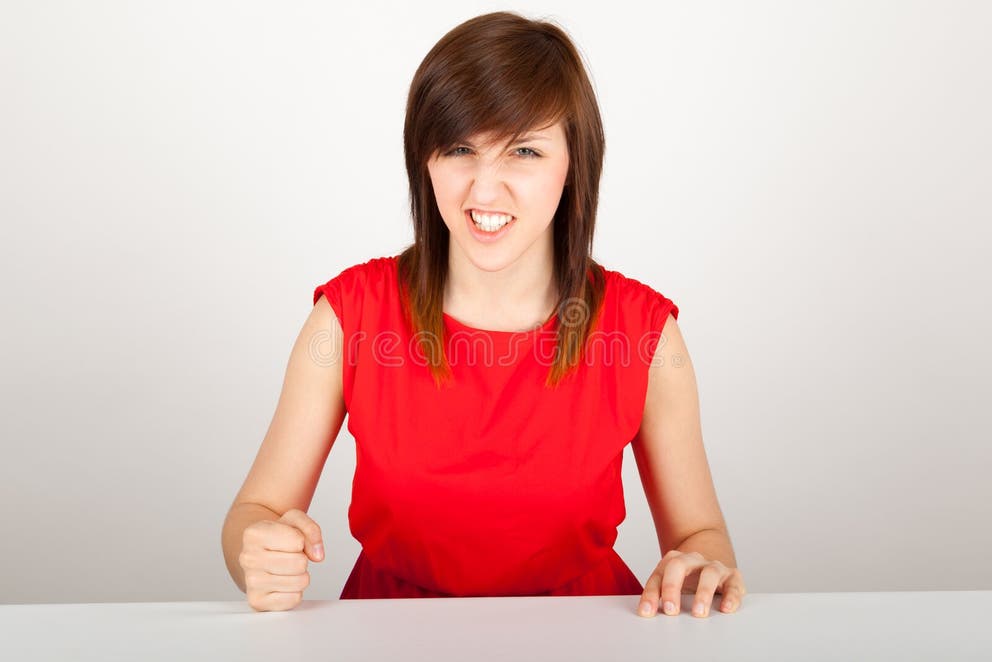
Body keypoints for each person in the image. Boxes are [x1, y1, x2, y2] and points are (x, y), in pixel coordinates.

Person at [222, 10, 747, 617]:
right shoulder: (347, 319)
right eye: (460, 149)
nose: (485, 191)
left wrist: (701, 567)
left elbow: (700, 536)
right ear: (425, 158)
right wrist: (254, 555)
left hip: (591, 637)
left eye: (524, 150)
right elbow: (253, 513)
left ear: (574, 162)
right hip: (389, 637)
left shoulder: (646, 336)